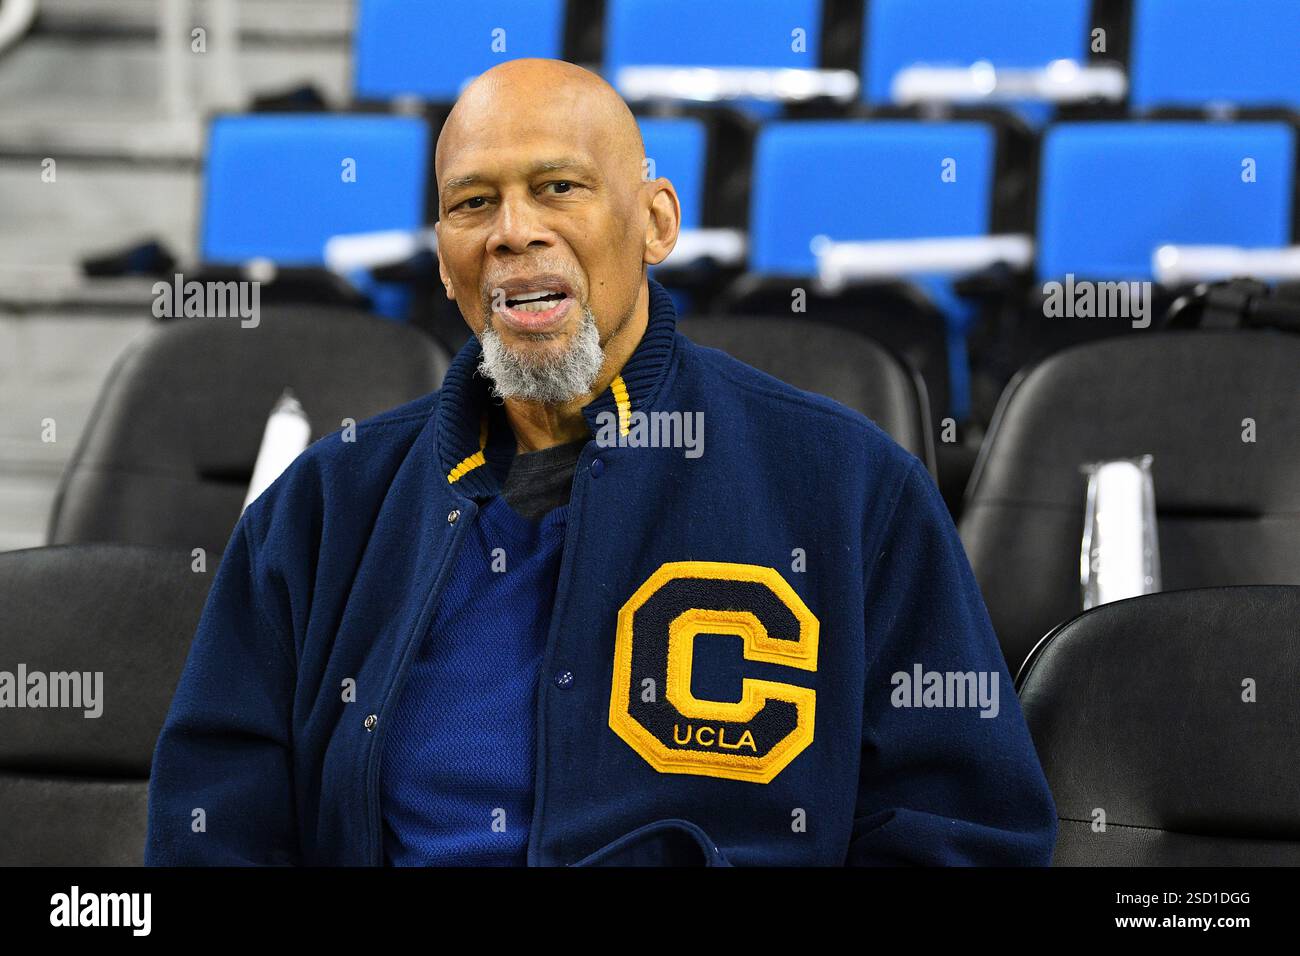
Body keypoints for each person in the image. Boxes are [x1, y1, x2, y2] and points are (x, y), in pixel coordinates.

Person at [146, 59, 1056, 866]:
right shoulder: (323, 506)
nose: (513, 232)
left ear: (657, 223)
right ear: (445, 260)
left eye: (558, 188)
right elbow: (213, 823)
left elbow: (966, 834)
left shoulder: (854, 490)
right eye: (473, 202)